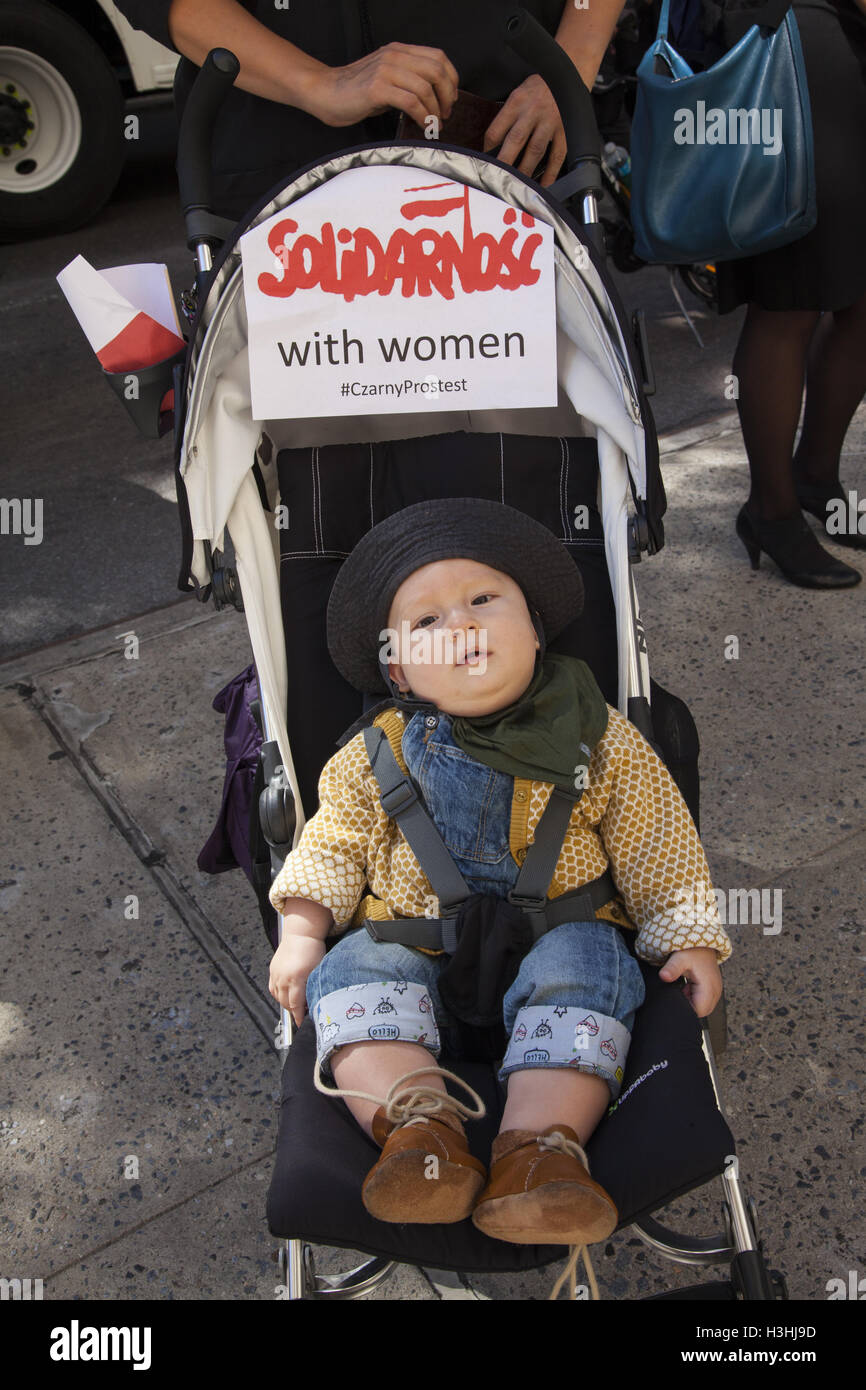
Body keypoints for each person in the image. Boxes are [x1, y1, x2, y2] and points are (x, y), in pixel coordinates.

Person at [116, 0, 632, 817]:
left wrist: (567, 61)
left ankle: (572, 784)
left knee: (544, 453)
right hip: (282, 171)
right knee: (312, 506)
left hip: (500, 146)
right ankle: (345, 817)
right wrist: (320, 84)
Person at [266, 498, 731, 1247]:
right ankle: (421, 1134)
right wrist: (301, 930)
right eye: (427, 622)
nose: (462, 625)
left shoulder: (598, 735)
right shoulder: (374, 751)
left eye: (485, 600)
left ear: (536, 630)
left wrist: (690, 937)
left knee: (587, 962)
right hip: (413, 956)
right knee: (354, 970)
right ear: (398, 670)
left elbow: (659, 844)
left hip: (555, 951)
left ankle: (538, 1155)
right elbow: (331, 846)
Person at [709, 0, 866, 587]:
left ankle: (815, 474)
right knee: (792, 285)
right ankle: (771, 509)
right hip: (788, 26)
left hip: (848, 30)